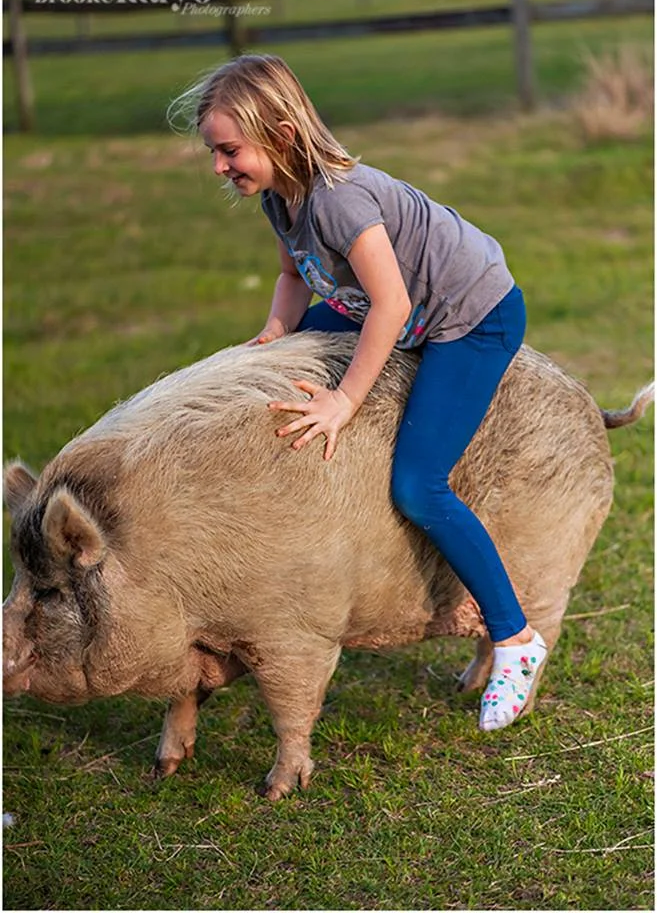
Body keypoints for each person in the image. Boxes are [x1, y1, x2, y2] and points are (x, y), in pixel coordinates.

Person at [169, 53, 547, 731]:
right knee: (283, 359)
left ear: (281, 135)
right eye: (214, 152)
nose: (218, 166)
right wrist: (276, 332)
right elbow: (293, 275)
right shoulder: (277, 200)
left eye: (229, 150)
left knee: (417, 486)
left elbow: (392, 306)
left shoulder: (340, 200)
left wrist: (344, 400)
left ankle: (515, 637)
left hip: (467, 317)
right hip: (375, 303)